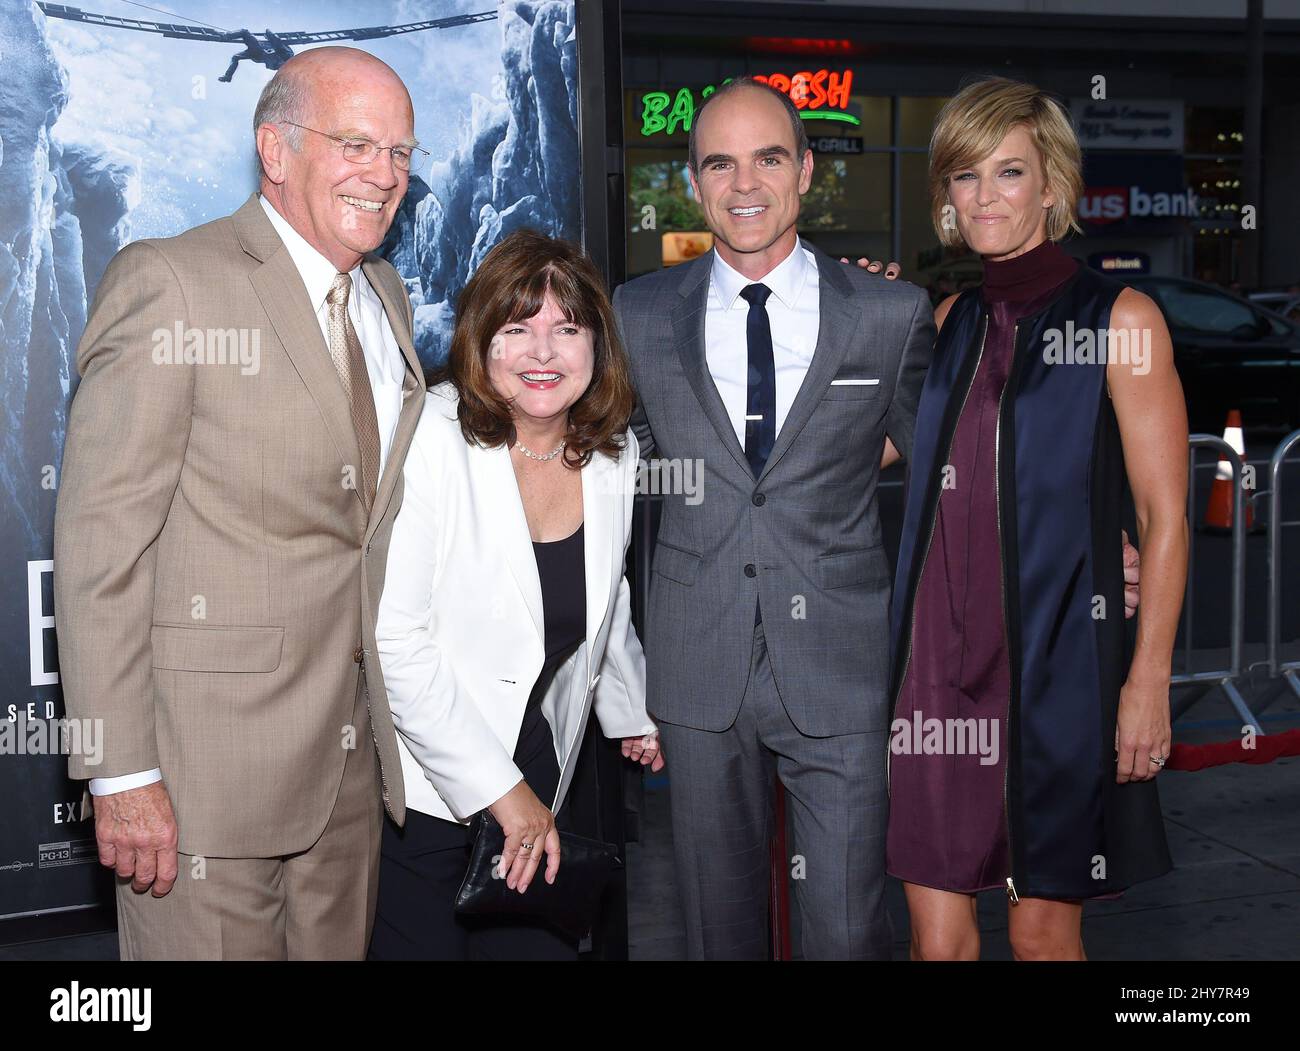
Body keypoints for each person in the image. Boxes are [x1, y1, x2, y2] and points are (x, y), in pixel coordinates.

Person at [53, 47, 428, 959]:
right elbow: (101, 549)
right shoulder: (172, 282)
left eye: (401, 154)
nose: (383, 175)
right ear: (274, 147)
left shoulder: (385, 294)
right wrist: (121, 773)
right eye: (355, 144)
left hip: (348, 776)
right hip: (198, 784)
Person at [613, 77, 935, 960]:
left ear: (805, 175)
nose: (744, 182)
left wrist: (1087, 557)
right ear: (692, 181)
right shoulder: (637, 313)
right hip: (696, 661)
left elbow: (943, 471)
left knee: (844, 925)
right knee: (718, 929)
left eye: (768, 157)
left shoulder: (888, 314)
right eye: (720, 161)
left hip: (842, 660)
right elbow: (619, 478)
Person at [886, 77, 1187, 960]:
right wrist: (844, 322)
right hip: (936, 672)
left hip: (1058, 662)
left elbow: (1165, 515)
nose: (984, 196)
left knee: (1043, 934)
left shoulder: (1121, 320)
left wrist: (1148, 683)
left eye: (1008, 172)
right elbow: (860, 452)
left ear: (1051, 186)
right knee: (937, 945)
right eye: (965, 176)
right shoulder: (947, 321)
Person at [370, 230, 662, 960]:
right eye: (517, 328)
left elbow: (607, 594)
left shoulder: (612, 453)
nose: (543, 353)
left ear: (597, 345)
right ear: (479, 339)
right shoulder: (432, 435)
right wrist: (501, 792)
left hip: (543, 779)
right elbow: (394, 642)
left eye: (567, 329)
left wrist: (630, 709)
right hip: (424, 793)